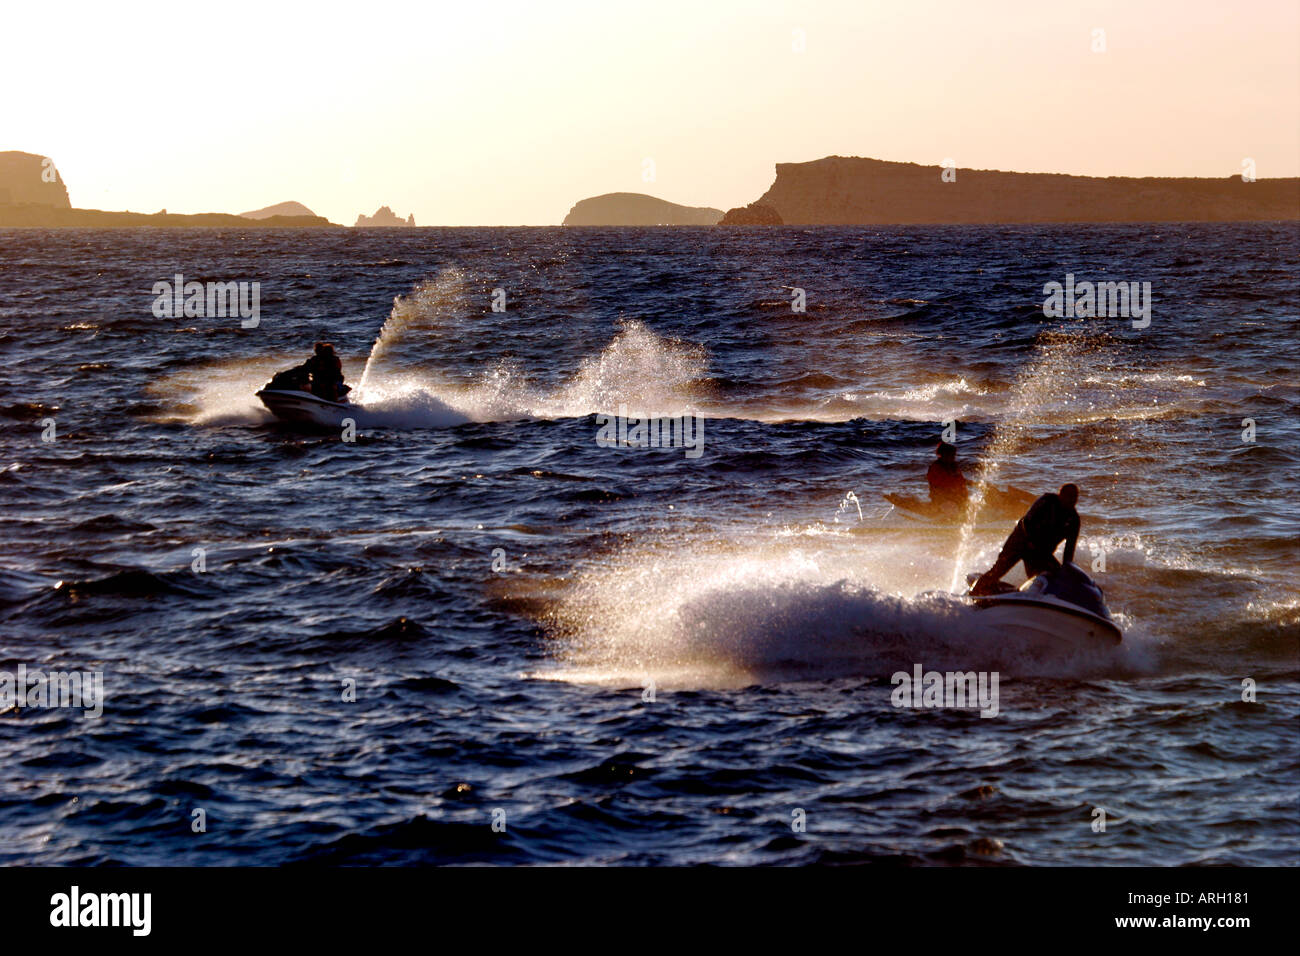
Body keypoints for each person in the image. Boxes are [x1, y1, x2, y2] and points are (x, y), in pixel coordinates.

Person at [970, 483, 1080, 595]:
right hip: (1019, 542)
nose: (1072, 500)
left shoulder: (1074, 520)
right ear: (1060, 495)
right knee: (999, 570)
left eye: (1075, 497)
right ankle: (974, 593)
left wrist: (1067, 569)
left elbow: (1069, 550)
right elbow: (1027, 523)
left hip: (1040, 552)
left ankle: (1041, 602)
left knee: (1055, 576)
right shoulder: (1047, 501)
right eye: (1069, 496)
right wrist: (1030, 542)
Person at [927, 441, 968, 511]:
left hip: (955, 498)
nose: (953, 457)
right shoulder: (935, 467)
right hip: (941, 499)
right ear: (943, 455)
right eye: (952, 455)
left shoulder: (953, 466)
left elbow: (961, 482)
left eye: (954, 455)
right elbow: (945, 483)